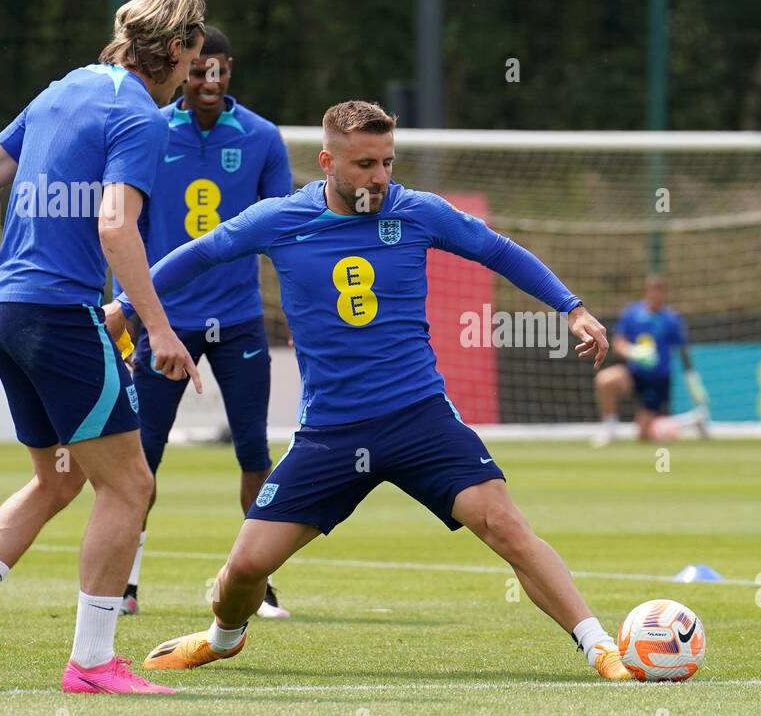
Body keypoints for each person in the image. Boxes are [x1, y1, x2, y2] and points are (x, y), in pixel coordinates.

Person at [111, 101, 634, 681]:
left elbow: (498, 250)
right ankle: (223, 637)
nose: (380, 177)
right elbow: (200, 253)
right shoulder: (280, 218)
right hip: (330, 434)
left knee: (505, 526)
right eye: (364, 165)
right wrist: (126, 306)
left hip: (420, 418)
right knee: (242, 571)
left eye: (387, 162)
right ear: (327, 161)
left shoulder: (419, 213)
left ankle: (600, 648)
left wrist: (572, 307)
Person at [0, 0, 206, 694]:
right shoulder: (140, 115)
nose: (196, 68)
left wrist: (2, 280)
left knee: (56, 478)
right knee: (131, 485)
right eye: (195, 50)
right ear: (175, 48)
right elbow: (116, 227)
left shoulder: (64, 89)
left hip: (9, 316)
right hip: (57, 320)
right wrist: (159, 327)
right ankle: (91, 662)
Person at [111, 26, 294, 618]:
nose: (207, 82)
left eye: (218, 71)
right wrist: (127, 304)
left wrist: (295, 305)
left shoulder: (264, 138)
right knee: (144, 453)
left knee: (253, 450)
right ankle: (126, 583)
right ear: (182, 69)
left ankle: (256, 585)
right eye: (197, 71)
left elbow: (284, 235)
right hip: (163, 316)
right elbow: (125, 225)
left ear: (229, 70)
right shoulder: (150, 128)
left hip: (238, 317)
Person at [591, 274, 707, 445]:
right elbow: (618, 343)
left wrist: (691, 377)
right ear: (646, 292)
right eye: (653, 291)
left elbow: (682, 349)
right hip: (634, 374)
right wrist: (633, 352)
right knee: (605, 380)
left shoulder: (671, 319)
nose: (657, 296)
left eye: (660, 292)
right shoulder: (632, 313)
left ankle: (693, 420)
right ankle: (610, 430)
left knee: (643, 435)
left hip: (657, 381)